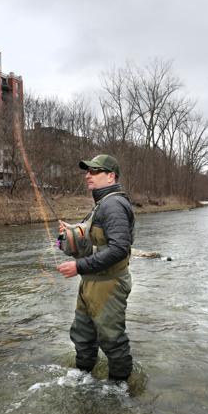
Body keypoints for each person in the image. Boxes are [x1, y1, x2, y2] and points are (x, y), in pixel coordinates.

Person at [57, 154, 135, 382]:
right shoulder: (102, 204)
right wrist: (69, 233)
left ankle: (120, 390)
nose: (87, 175)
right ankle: (82, 377)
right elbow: (94, 241)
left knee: (112, 340)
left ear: (110, 176)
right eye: (87, 171)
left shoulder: (113, 205)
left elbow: (119, 248)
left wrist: (78, 266)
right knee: (82, 334)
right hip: (91, 282)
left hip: (109, 285)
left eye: (94, 171)